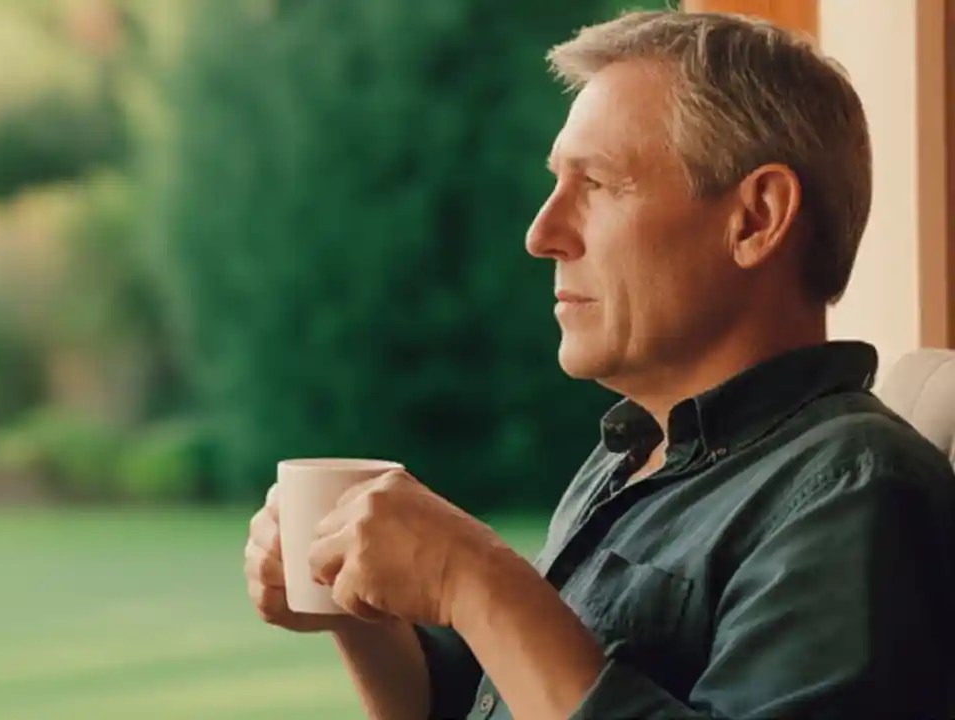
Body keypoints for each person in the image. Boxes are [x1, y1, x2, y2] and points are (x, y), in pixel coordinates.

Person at [243, 9, 955, 720]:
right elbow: (499, 701)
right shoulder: (635, 453)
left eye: (598, 185)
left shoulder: (854, 494)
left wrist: (474, 576)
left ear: (757, 218)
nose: (540, 234)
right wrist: (360, 613)